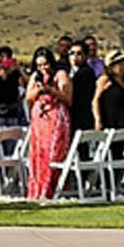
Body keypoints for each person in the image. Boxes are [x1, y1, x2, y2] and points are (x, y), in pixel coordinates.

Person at [24, 46, 72, 197]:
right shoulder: (35, 76)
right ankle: (39, 189)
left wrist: (52, 91)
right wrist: (38, 90)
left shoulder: (61, 74)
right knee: (40, 154)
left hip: (56, 116)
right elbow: (28, 97)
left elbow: (68, 98)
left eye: (45, 64)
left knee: (54, 152)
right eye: (39, 65)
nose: (43, 68)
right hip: (40, 119)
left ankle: (53, 188)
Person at [93, 49, 124, 130]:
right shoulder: (105, 79)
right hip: (110, 122)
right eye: (120, 63)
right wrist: (98, 120)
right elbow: (95, 100)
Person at [65, 41, 97, 133]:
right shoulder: (69, 71)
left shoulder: (86, 72)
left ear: (86, 56)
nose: (75, 56)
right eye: (72, 53)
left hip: (81, 117)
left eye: (79, 53)